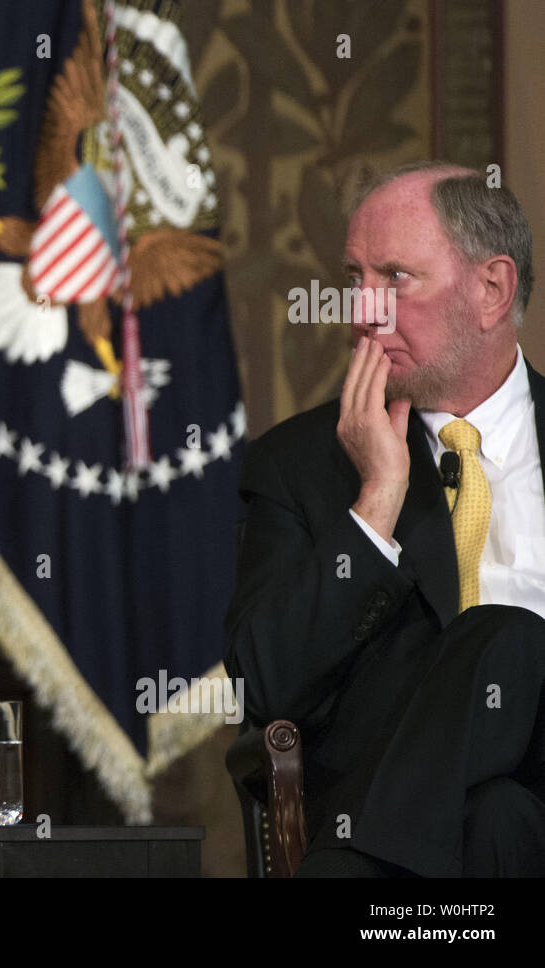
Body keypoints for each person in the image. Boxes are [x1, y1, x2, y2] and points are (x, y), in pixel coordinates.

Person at [225, 161, 545, 877]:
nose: (363, 310)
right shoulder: (298, 466)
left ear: (491, 289)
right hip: (482, 841)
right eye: (354, 279)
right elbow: (262, 692)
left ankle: (355, 863)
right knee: (498, 816)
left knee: (510, 637)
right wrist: (375, 505)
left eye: (395, 278)